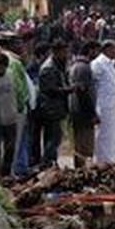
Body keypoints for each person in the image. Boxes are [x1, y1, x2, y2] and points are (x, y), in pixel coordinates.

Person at [35, 41, 72, 169]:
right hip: (50, 108)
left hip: (55, 107)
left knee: (53, 137)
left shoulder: (57, 65)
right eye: (64, 52)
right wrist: (69, 90)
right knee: (53, 138)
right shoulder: (49, 68)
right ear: (56, 52)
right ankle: (47, 162)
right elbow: (50, 89)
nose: (66, 55)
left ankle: (50, 162)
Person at [91, 40, 115, 165]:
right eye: (114, 49)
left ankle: (110, 159)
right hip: (102, 105)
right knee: (103, 135)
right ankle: (102, 160)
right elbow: (93, 87)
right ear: (107, 49)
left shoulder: (110, 64)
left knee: (110, 134)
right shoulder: (97, 64)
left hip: (111, 105)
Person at [69, 41, 100, 169]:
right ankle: (82, 170)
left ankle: (80, 168)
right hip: (83, 112)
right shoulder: (83, 68)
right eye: (96, 51)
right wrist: (92, 113)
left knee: (80, 144)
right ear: (90, 50)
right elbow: (83, 93)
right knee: (85, 146)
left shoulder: (76, 66)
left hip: (77, 111)